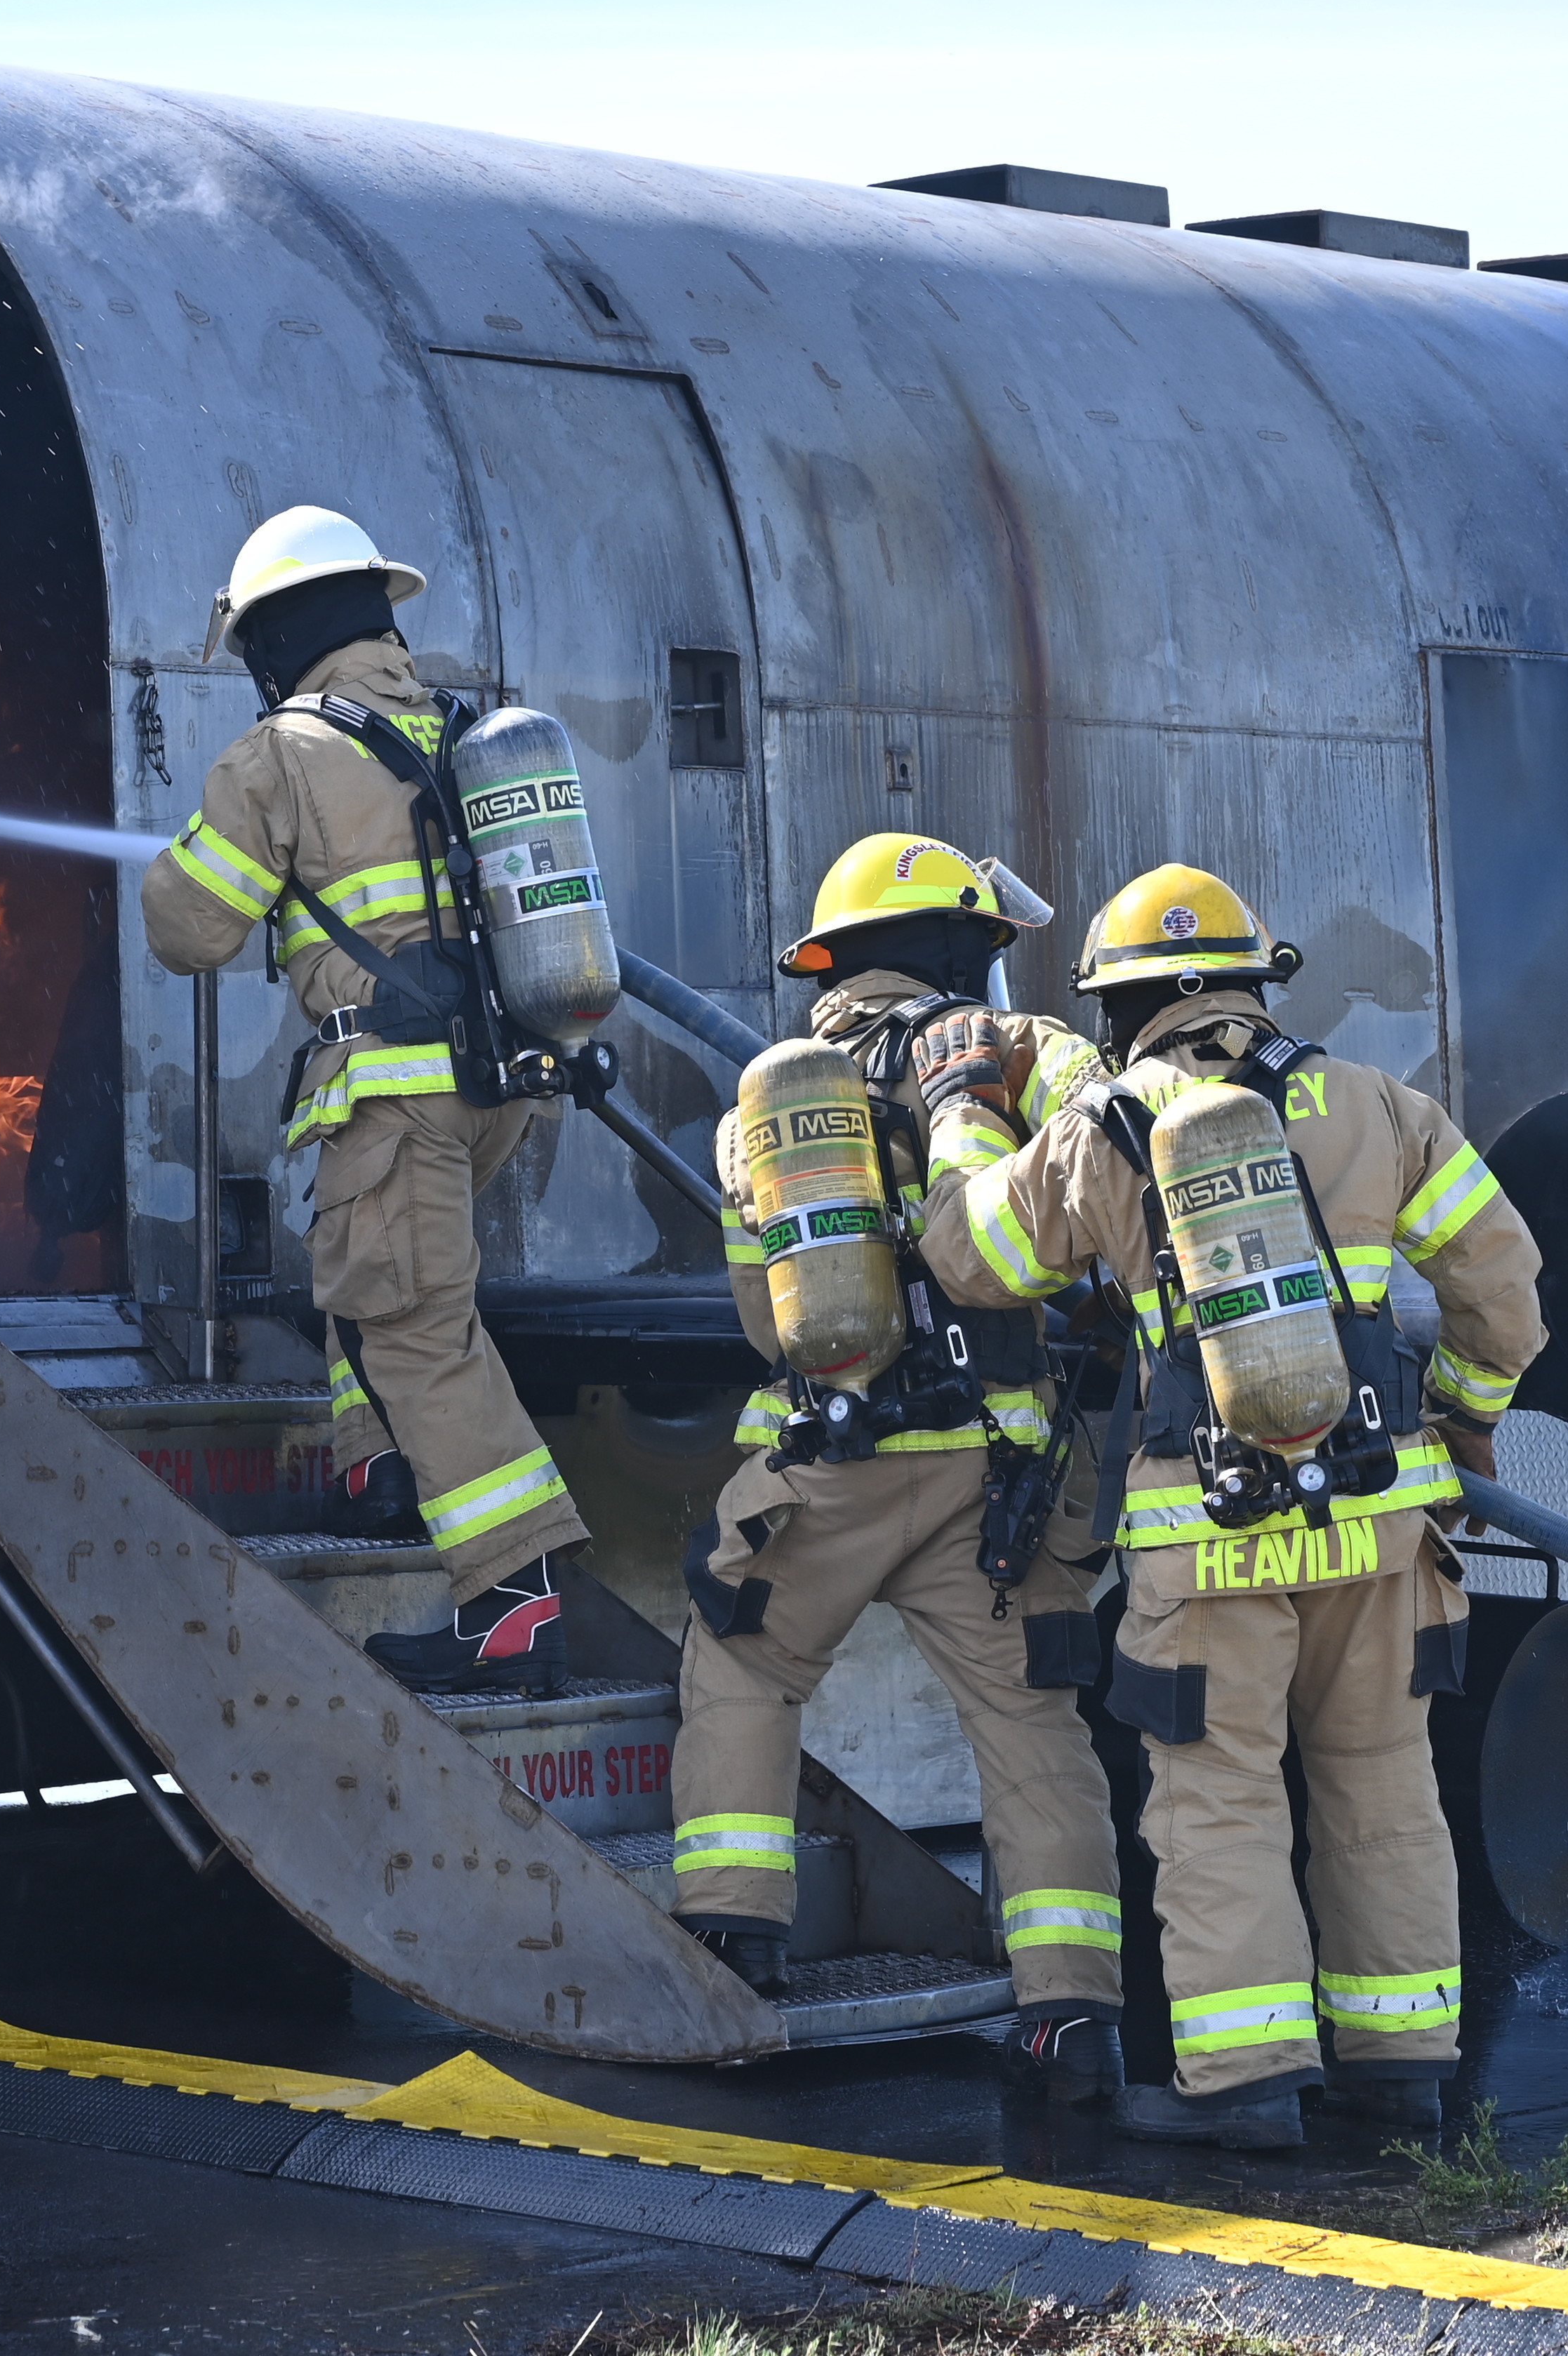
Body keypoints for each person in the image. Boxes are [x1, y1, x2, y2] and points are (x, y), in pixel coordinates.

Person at [916, 864, 1543, 2148]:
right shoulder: (1379, 1104)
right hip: (1384, 1523)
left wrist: (966, 1111)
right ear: (1259, 986)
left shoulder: (1110, 1124)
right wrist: (1468, 1415)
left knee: (1218, 1800)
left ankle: (1245, 2088)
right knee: (1382, 1783)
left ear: (1122, 1007)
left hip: (1209, 1543)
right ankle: (1403, 2066)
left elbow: (964, 1258)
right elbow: (1508, 1289)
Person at [669, 835, 1131, 2101]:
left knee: (747, 1668)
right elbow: (1129, 1152)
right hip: (1002, 1470)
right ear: (958, 946)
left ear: (839, 961)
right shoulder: (1023, 1050)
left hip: (829, 1462)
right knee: (1033, 1723)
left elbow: (769, 1323)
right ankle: (1071, 2012)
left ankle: (735, 1942)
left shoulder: (765, 1111)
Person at [140, 507, 587, 1693]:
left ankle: (510, 1602)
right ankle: (380, 1470)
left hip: (392, 1094)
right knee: (367, 1276)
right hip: (490, 1087)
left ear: (272, 637)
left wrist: (184, 848)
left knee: (412, 1321)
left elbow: (189, 929)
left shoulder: (281, 753)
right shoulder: (451, 728)